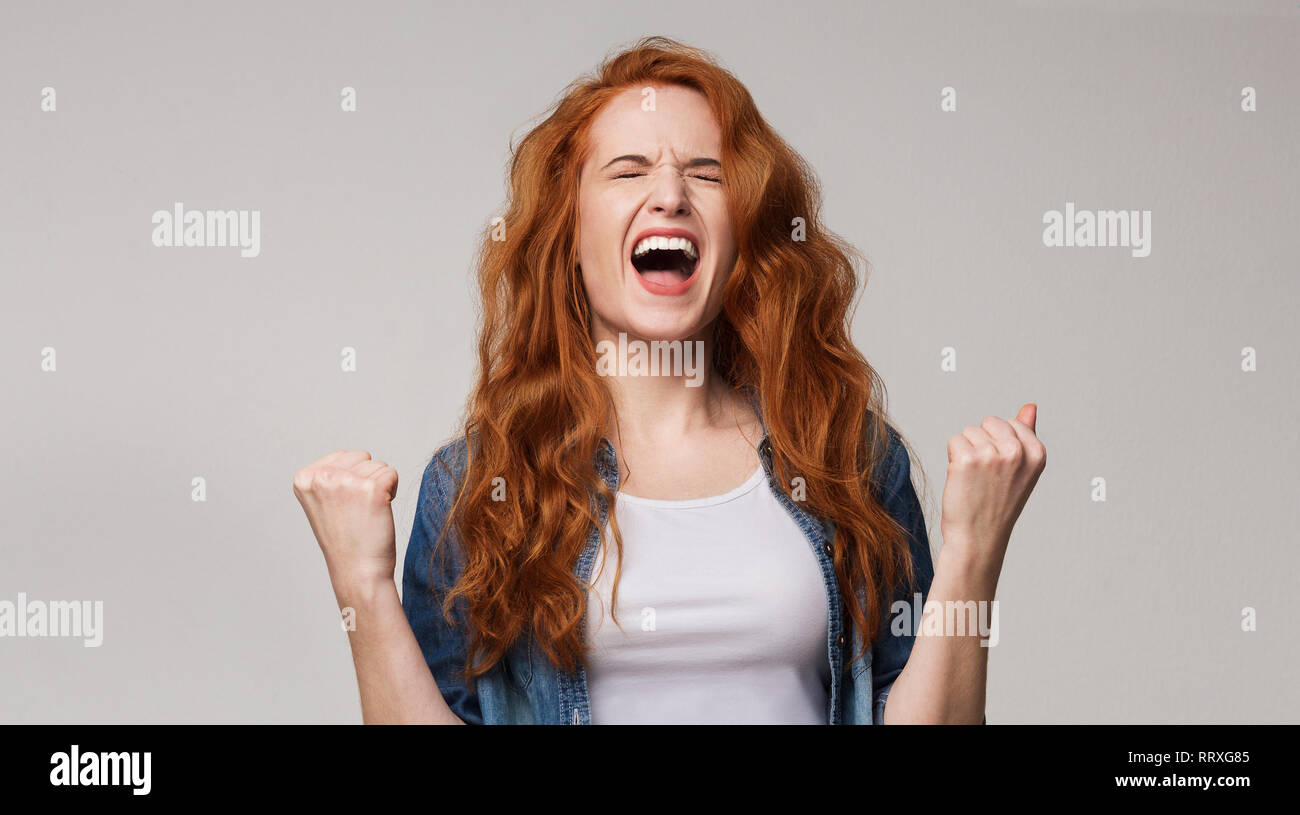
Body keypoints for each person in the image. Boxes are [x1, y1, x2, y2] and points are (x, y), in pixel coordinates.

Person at [292, 36, 1046, 725]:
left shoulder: (844, 460)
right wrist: (363, 586)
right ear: (572, 237)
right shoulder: (478, 484)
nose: (670, 194)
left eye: (706, 173)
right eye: (628, 170)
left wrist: (974, 547)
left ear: (745, 230)